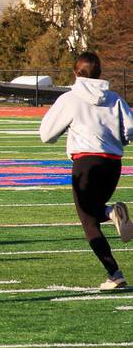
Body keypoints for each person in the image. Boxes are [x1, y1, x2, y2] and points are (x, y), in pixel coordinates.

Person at [40, 51, 133, 289]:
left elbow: (46, 134)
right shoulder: (115, 98)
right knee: (92, 213)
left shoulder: (70, 98)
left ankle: (114, 273)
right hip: (113, 163)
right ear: (100, 73)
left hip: (86, 162)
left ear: (75, 72)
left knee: (88, 222)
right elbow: (130, 130)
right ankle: (111, 214)